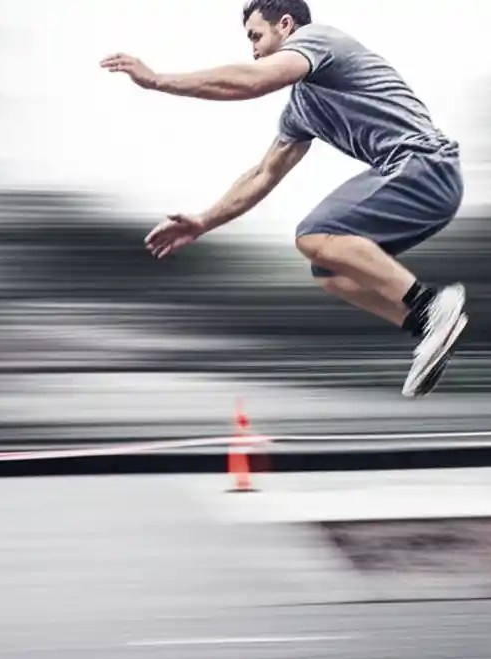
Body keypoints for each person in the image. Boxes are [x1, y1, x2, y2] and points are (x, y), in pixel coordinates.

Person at [101, 0, 466, 397]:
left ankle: (432, 306)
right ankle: (427, 328)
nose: (253, 49)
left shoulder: (320, 41)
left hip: (424, 165)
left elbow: (249, 81)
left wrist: (157, 80)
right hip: (418, 180)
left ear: (287, 26)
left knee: (315, 233)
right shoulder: (302, 108)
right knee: (329, 271)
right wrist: (203, 221)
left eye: (256, 36)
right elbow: (263, 174)